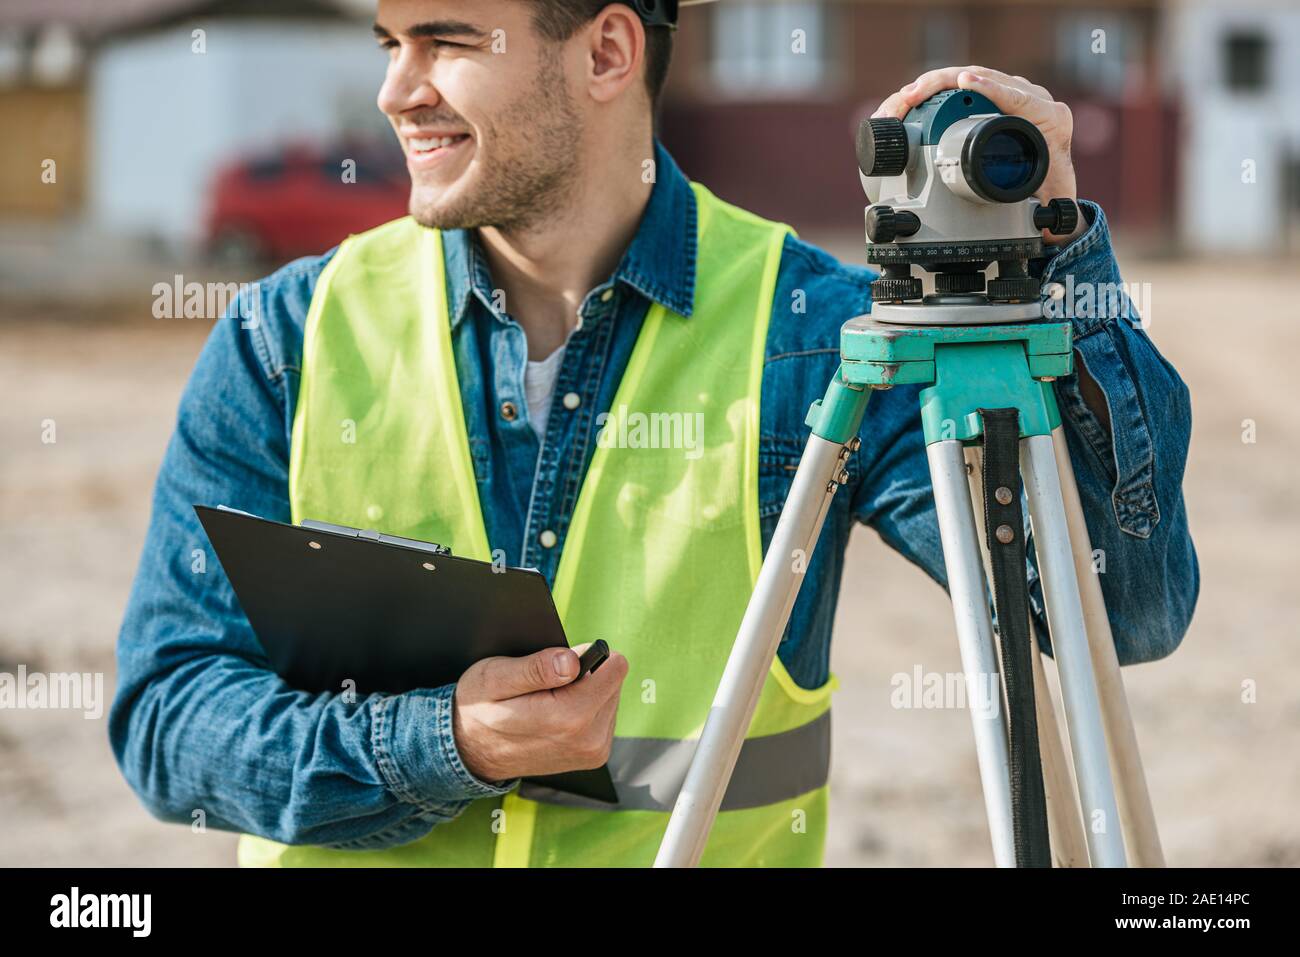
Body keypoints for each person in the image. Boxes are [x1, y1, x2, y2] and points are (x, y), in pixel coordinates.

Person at [110, 0, 1198, 867]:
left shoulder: (814, 335)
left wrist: (1053, 269)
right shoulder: (286, 334)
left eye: (444, 40)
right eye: (391, 42)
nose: (398, 90)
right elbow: (166, 721)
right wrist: (444, 744)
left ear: (606, 52)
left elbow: (1122, 611)